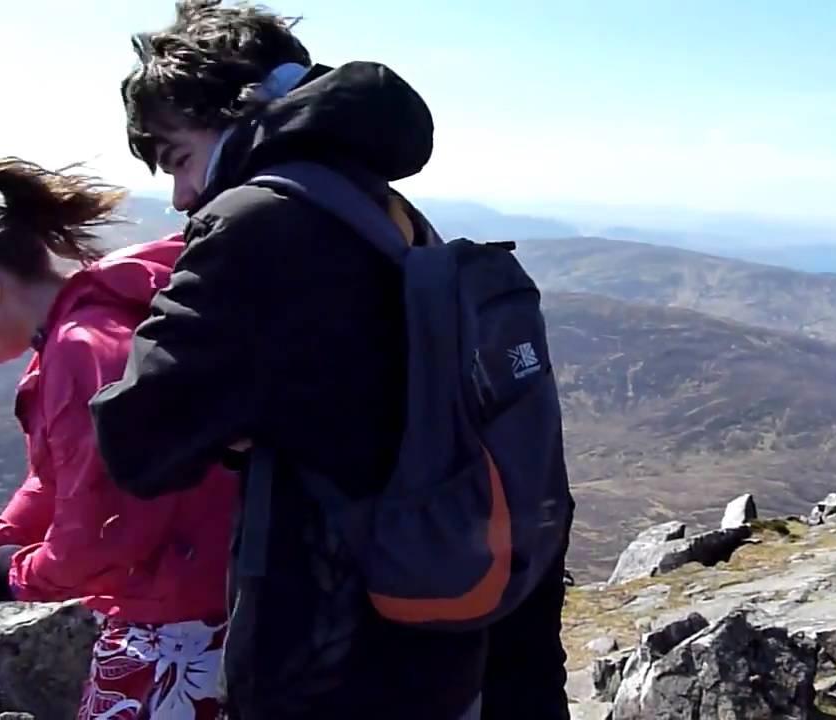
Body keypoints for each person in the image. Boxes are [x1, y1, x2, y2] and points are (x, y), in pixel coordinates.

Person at [88, 2, 572, 718]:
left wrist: (234, 423)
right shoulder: (387, 210)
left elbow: (137, 438)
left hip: (325, 650)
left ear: (239, 111)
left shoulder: (255, 222)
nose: (180, 194)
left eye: (179, 157)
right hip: (435, 626)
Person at [0, 158, 237, 720]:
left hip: (182, 627)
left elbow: (111, 526)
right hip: (192, 606)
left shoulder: (84, 349)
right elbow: (64, 477)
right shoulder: (84, 328)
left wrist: (18, 576)